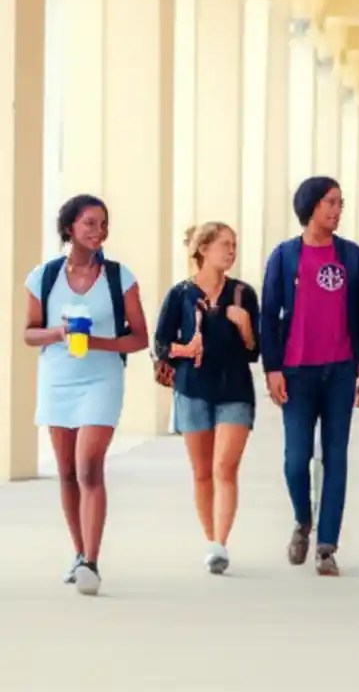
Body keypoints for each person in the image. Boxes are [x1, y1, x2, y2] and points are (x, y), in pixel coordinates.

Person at [22, 194, 150, 595]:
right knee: (65, 472)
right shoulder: (42, 277)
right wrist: (60, 334)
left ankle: (92, 562)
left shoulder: (120, 278)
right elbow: (29, 332)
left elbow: (140, 338)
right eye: (89, 223)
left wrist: (95, 342)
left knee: (88, 467)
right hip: (57, 379)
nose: (98, 231)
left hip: (102, 380)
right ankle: (78, 553)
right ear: (69, 228)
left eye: (103, 224)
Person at [261, 176, 359, 577]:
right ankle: (302, 519)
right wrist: (272, 367)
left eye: (340, 203)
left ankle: (327, 545)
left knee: (336, 458)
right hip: (296, 372)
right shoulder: (284, 256)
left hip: (341, 370)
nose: (336, 210)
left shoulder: (352, 256)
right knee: (296, 460)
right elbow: (268, 314)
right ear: (310, 205)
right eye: (330, 202)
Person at [153, 222, 260, 574]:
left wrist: (243, 325)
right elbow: (160, 344)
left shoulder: (244, 294)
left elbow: (254, 351)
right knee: (202, 472)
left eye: (234, 244)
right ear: (203, 249)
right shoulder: (180, 295)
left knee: (224, 467)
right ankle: (212, 540)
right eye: (225, 244)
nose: (231, 250)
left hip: (234, 390)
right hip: (193, 389)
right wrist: (185, 348)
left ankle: (220, 544)